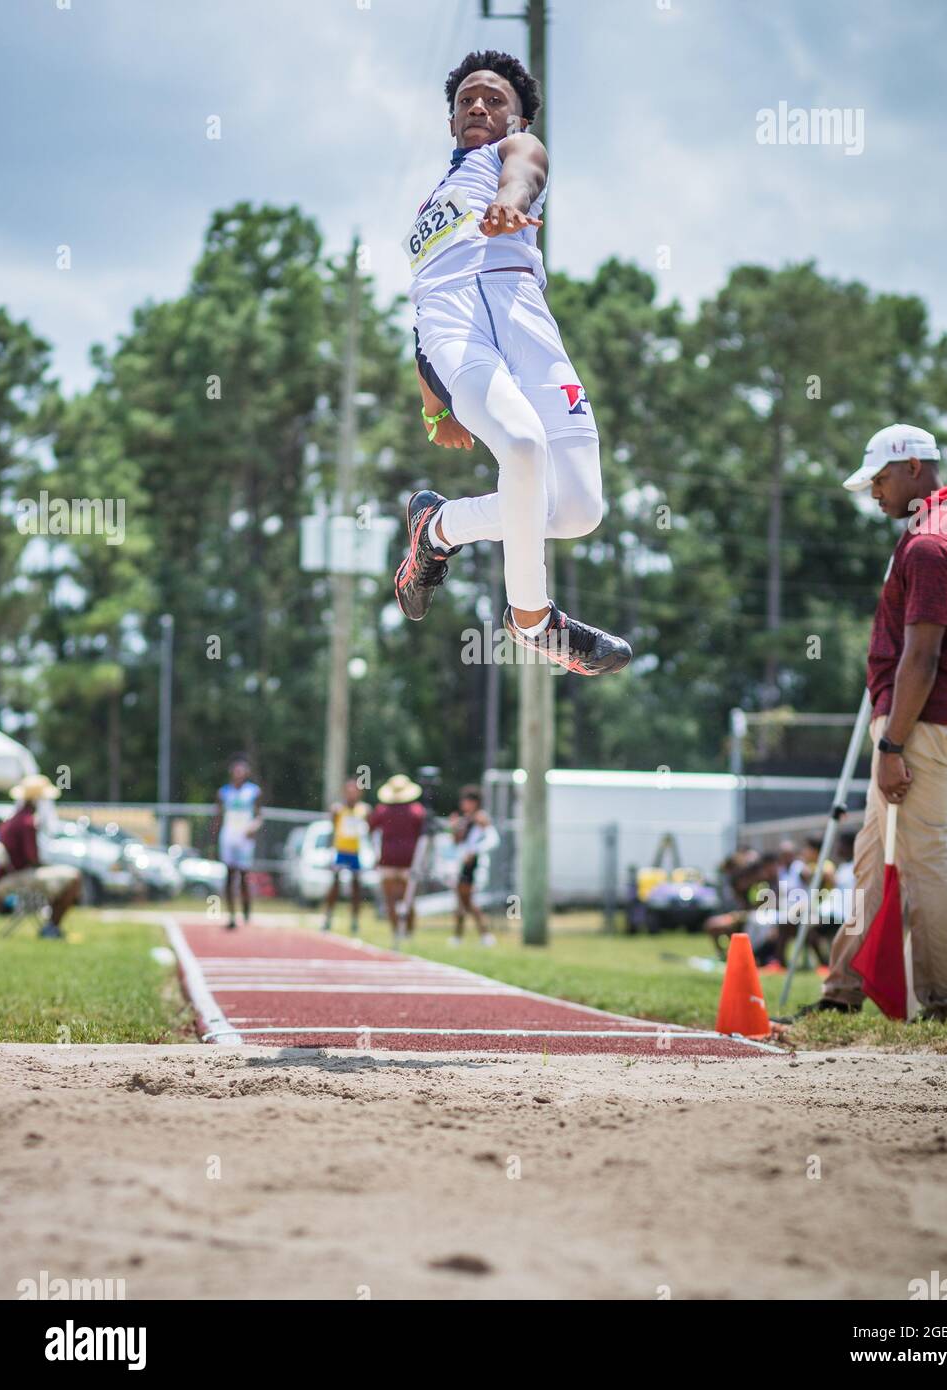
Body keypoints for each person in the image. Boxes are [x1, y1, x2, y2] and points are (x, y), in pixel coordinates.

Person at [394, 49, 632, 677]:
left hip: (525, 321)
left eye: (494, 100)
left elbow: (522, 177)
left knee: (579, 510)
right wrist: (433, 406)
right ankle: (533, 620)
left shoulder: (518, 153)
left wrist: (508, 201)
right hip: (456, 330)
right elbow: (423, 303)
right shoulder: (426, 209)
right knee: (523, 449)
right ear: (451, 121)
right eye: (466, 99)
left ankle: (437, 526)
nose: (478, 106)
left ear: (518, 120)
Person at [800, 424, 947, 1022]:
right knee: (871, 855)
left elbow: (923, 656)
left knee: (927, 857)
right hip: (932, 721)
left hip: (922, 725)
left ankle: (946, 1004)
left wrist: (892, 742)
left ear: (912, 468)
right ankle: (845, 990)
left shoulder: (932, 542)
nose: (874, 492)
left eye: (880, 479)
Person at [0, 774, 81, 939]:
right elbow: (31, 857)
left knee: (62, 878)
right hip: (20, 875)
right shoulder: (27, 822)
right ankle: (52, 927)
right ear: (36, 800)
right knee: (74, 878)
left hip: (10, 874)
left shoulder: (12, 820)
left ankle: (51, 926)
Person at [368, 774, 427, 947]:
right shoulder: (417, 810)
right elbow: (423, 833)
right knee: (408, 899)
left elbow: (370, 828)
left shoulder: (382, 810)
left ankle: (396, 932)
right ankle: (408, 932)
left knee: (390, 899)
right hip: (409, 859)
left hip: (388, 858)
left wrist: (375, 852)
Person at [211, 755, 263, 930]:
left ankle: (246, 910)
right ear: (231, 773)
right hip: (228, 837)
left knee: (244, 876)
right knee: (229, 875)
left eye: (242, 771)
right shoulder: (223, 792)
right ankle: (231, 916)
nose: (238, 774)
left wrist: (253, 827)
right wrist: (212, 840)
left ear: (246, 773)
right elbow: (217, 818)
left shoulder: (253, 792)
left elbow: (259, 816)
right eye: (236, 771)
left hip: (245, 838)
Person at [447, 785, 499, 945]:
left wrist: (475, 852)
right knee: (462, 902)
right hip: (462, 864)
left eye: (467, 801)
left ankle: (481, 935)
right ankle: (462, 936)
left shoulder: (481, 818)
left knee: (466, 901)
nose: (464, 804)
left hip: (474, 865)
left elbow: (493, 840)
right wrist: (454, 828)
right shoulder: (464, 820)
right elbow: (457, 842)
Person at [323, 779, 370, 934]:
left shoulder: (364, 809)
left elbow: (368, 829)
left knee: (356, 887)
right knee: (335, 885)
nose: (352, 794)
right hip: (340, 851)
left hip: (355, 852)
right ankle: (328, 918)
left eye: (355, 791)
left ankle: (355, 921)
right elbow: (332, 829)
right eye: (349, 791)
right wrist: (329, 851)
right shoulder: (337, 809)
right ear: (345, 792)